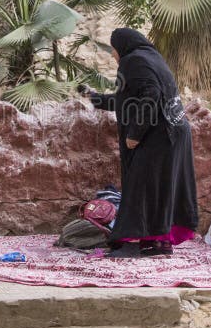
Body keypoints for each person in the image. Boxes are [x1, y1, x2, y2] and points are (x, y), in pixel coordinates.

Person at [81, 28, 199, 258]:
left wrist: (135, 134)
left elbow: (151, 95)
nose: (114, 55)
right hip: (173, 130)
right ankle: (157, 242)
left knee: (144, 187)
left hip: (160, 134)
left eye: (113, 50)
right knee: (159, 189)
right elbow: (129, 100)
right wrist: (94, 98)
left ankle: (152, 242)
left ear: (122, 46)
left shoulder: (132, 61)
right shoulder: (150, 59)